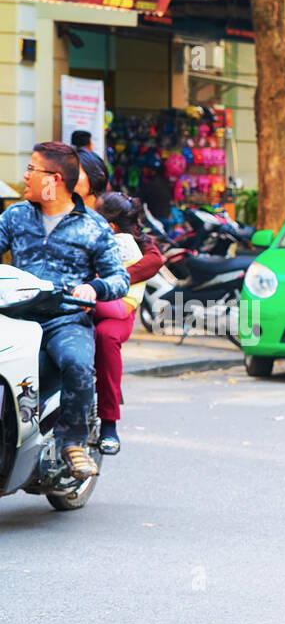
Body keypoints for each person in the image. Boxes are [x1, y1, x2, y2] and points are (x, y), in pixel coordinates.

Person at [0, 141, 129, 478]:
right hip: (15, 318)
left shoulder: (94, 227)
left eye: (32, 169)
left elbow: (120, 279)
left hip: (66, 320)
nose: (25, 176)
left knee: (76, 364)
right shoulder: (14, 216)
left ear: (54, 179)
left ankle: (72, 442)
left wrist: (94, 287)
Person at [93, 193, 159, 455]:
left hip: (114, 305)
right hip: (84, 298)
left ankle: (109, 421)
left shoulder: (132, 240)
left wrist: (115, 280)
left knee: (105, 335)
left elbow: (155, 259)